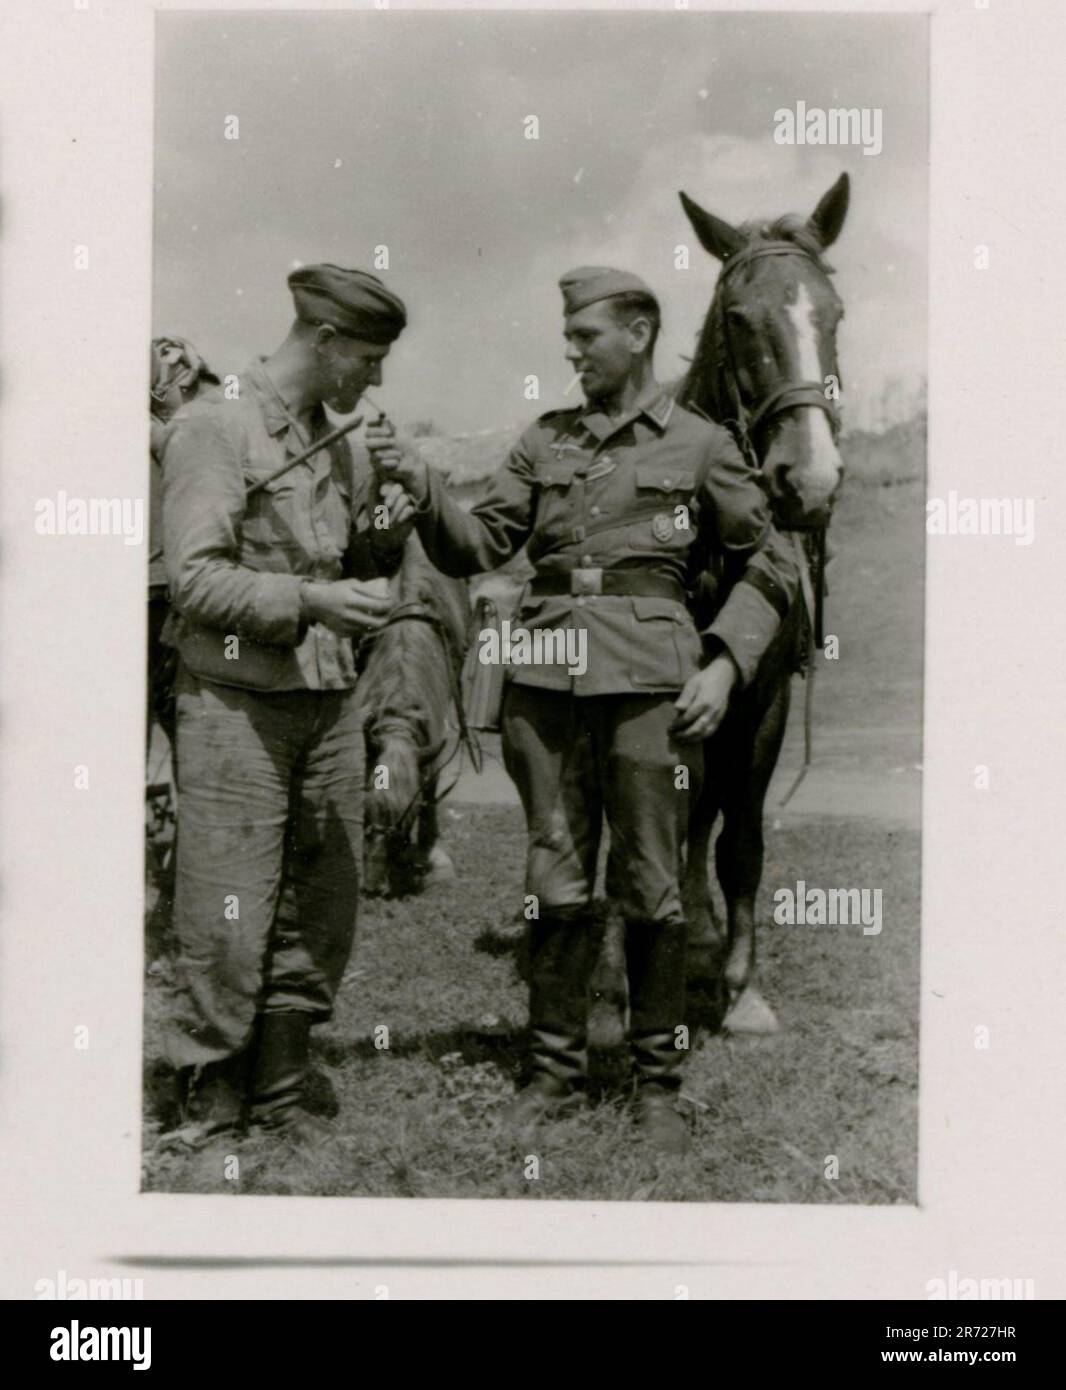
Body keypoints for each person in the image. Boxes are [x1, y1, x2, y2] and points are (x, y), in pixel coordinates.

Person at [367, 266, 798, 1154]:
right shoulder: (543, 441)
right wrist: (421, 483)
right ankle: (553, 1073)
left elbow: (775, 561)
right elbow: (481, 542)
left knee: (651, 886)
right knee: (554, 878)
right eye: (566, 336)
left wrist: (723, 663)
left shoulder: (701, 443)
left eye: (586, 336)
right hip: (545, 685)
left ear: (638, 334)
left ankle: (658, 1088)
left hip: (652, 683)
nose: (571, 351)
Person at [159, 264, 414, 1146]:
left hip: (327, 699)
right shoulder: (213, 425)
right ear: (327, 341)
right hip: (236, 702)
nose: (374, 381)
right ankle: (207, 1093)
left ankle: (278, 1086)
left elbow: (343, 560)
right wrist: (306, 603)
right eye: (368, 361)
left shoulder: (336, 441)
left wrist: (389, 517)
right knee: (227, 903)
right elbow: (194, 579)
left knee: (322, 898)